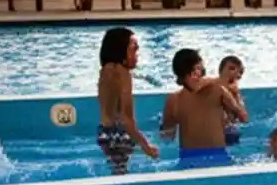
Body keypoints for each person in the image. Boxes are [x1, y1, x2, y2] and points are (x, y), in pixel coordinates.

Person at [159, 48, 247, 170]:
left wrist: (235, 95)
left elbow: (243, 117)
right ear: (184, 74)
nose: (200, 75)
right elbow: (167, 135)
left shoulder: (218, 90)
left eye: (201, 71)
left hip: (214, 156)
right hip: (192, 158)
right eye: (197, 71)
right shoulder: (174, 100)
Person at [97, 27, 159, 174]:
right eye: (134, 50)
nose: (137, 56)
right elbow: (127, 118)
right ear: (120, 50)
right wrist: (146, 145)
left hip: (104, 133)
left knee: (117, 171)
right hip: (119, 134)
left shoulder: (105, 71)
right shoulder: (123, 74)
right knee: (122, 175)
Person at [218, 55, 248, 146]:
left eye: (240, 72)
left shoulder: (235, 94)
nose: (236, 74)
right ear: (220, 71)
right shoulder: (213, 90)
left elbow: (244, 119)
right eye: (231, 69)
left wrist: (236, 95)